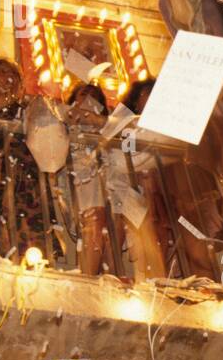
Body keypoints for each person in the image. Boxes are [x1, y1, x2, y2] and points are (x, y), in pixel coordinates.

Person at [0, 59, 46, 258]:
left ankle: (27, 260)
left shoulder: (25, 107)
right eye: (3, 72)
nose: (9, 77)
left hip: (25, 173)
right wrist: (13, 96)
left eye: (14, 74)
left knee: (25, 219)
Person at [104, 80, 168, 279]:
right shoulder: (124, 121)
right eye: (146, 94)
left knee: (159, 230)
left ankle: (157, 277)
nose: (151, 100)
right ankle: (143, 279)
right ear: (136, 99)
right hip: (126, 186)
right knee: (139, 229)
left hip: (156, 187)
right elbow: (122, 155)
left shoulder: (163, 126)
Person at [64, 83, 114, 275]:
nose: (88, 99)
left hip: (105, 180)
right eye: (83, 94)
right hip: (77, 178)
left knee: (104, 227)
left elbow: (130, 141)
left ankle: (105, 277)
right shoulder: (65, 117)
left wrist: (99, 121)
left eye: (94, 96)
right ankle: (87, 276)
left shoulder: (109, 124)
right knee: (93, 222)